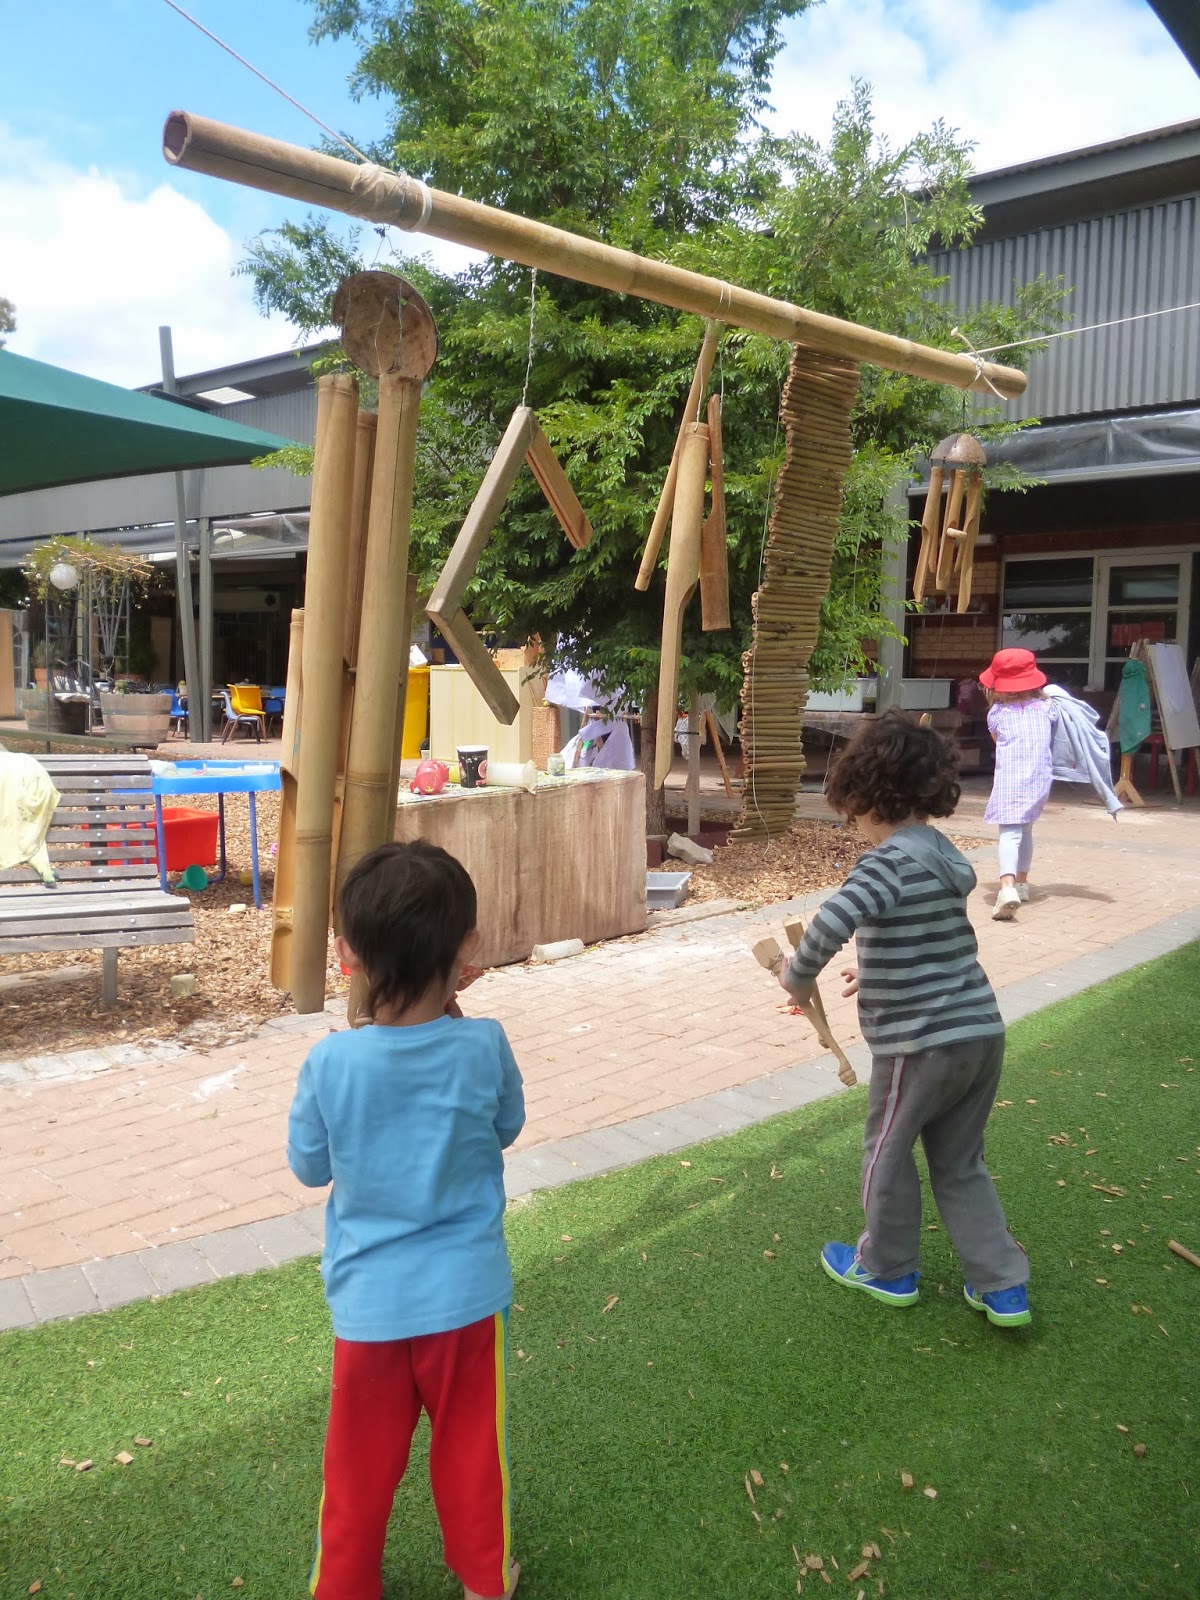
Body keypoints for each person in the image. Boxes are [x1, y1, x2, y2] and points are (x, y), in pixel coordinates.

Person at [288, 840, 525, 1600]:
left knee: (355, 1467)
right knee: (469, 1451)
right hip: (464, 1300)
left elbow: (310, 1167)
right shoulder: (484, 1045)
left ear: (347, 955)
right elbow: (506, 1127)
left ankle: (345, 1586)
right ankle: (486, 1580)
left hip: (370, 1310)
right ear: (467, 950)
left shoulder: (331, 1064)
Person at [782, 712, 1031, 1328]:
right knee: (960, 1161)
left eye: (851, 815)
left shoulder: (884, 863)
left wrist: (798, 974)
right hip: (979, 1033)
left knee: (886, 1154)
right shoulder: (946, 858)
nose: (854, 830)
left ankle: (886, 1267)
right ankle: (1002, 1285)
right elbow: (939, 939)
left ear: (866, 799)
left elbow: (833, 920)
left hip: (917, 1045)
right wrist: (879, 968)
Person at [980, 647, 1058, 920]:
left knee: (1009, 834)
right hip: (1038, 781)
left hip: (1010, 781)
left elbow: (997, 740)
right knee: (1025, 830)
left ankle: (1007, 888)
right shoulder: (1048, 708)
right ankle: (1023, 884)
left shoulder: (998, 714)